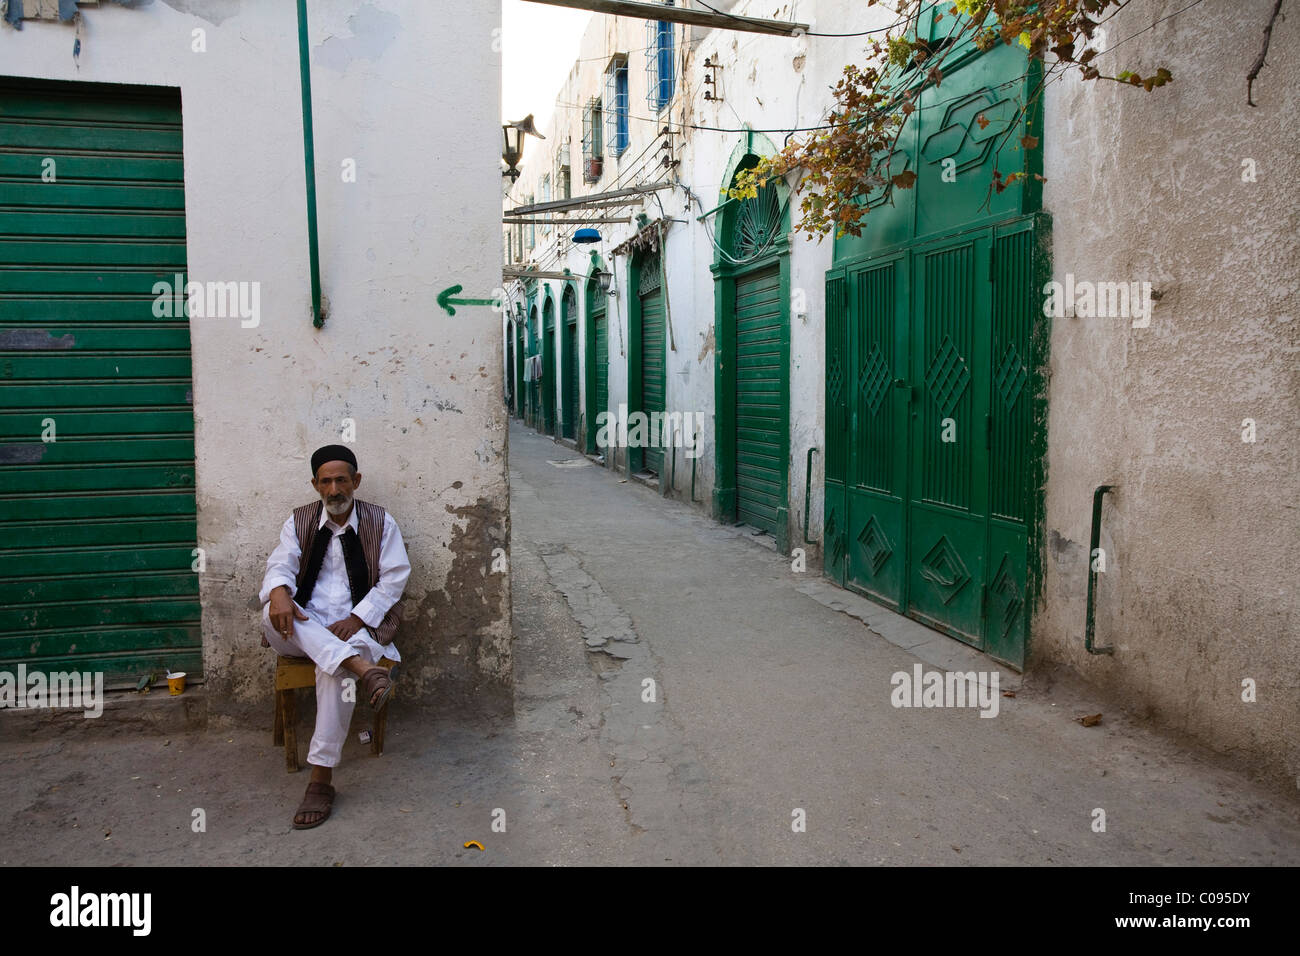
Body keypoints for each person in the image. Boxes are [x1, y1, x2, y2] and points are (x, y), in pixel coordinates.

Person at [259, 444, 411, 829]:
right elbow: (280, 563)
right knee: (272, 611)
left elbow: (395, 577)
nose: (333, 489)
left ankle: (320, 780)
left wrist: (359, 617)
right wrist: (278, 591)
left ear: (355, 481)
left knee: (335, 669)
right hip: (300, 628)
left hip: (358, 627)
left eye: (341, 480)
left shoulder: (381, 522)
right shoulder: (298, 522)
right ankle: (364, 668)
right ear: (315, 485)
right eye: (325, 481)